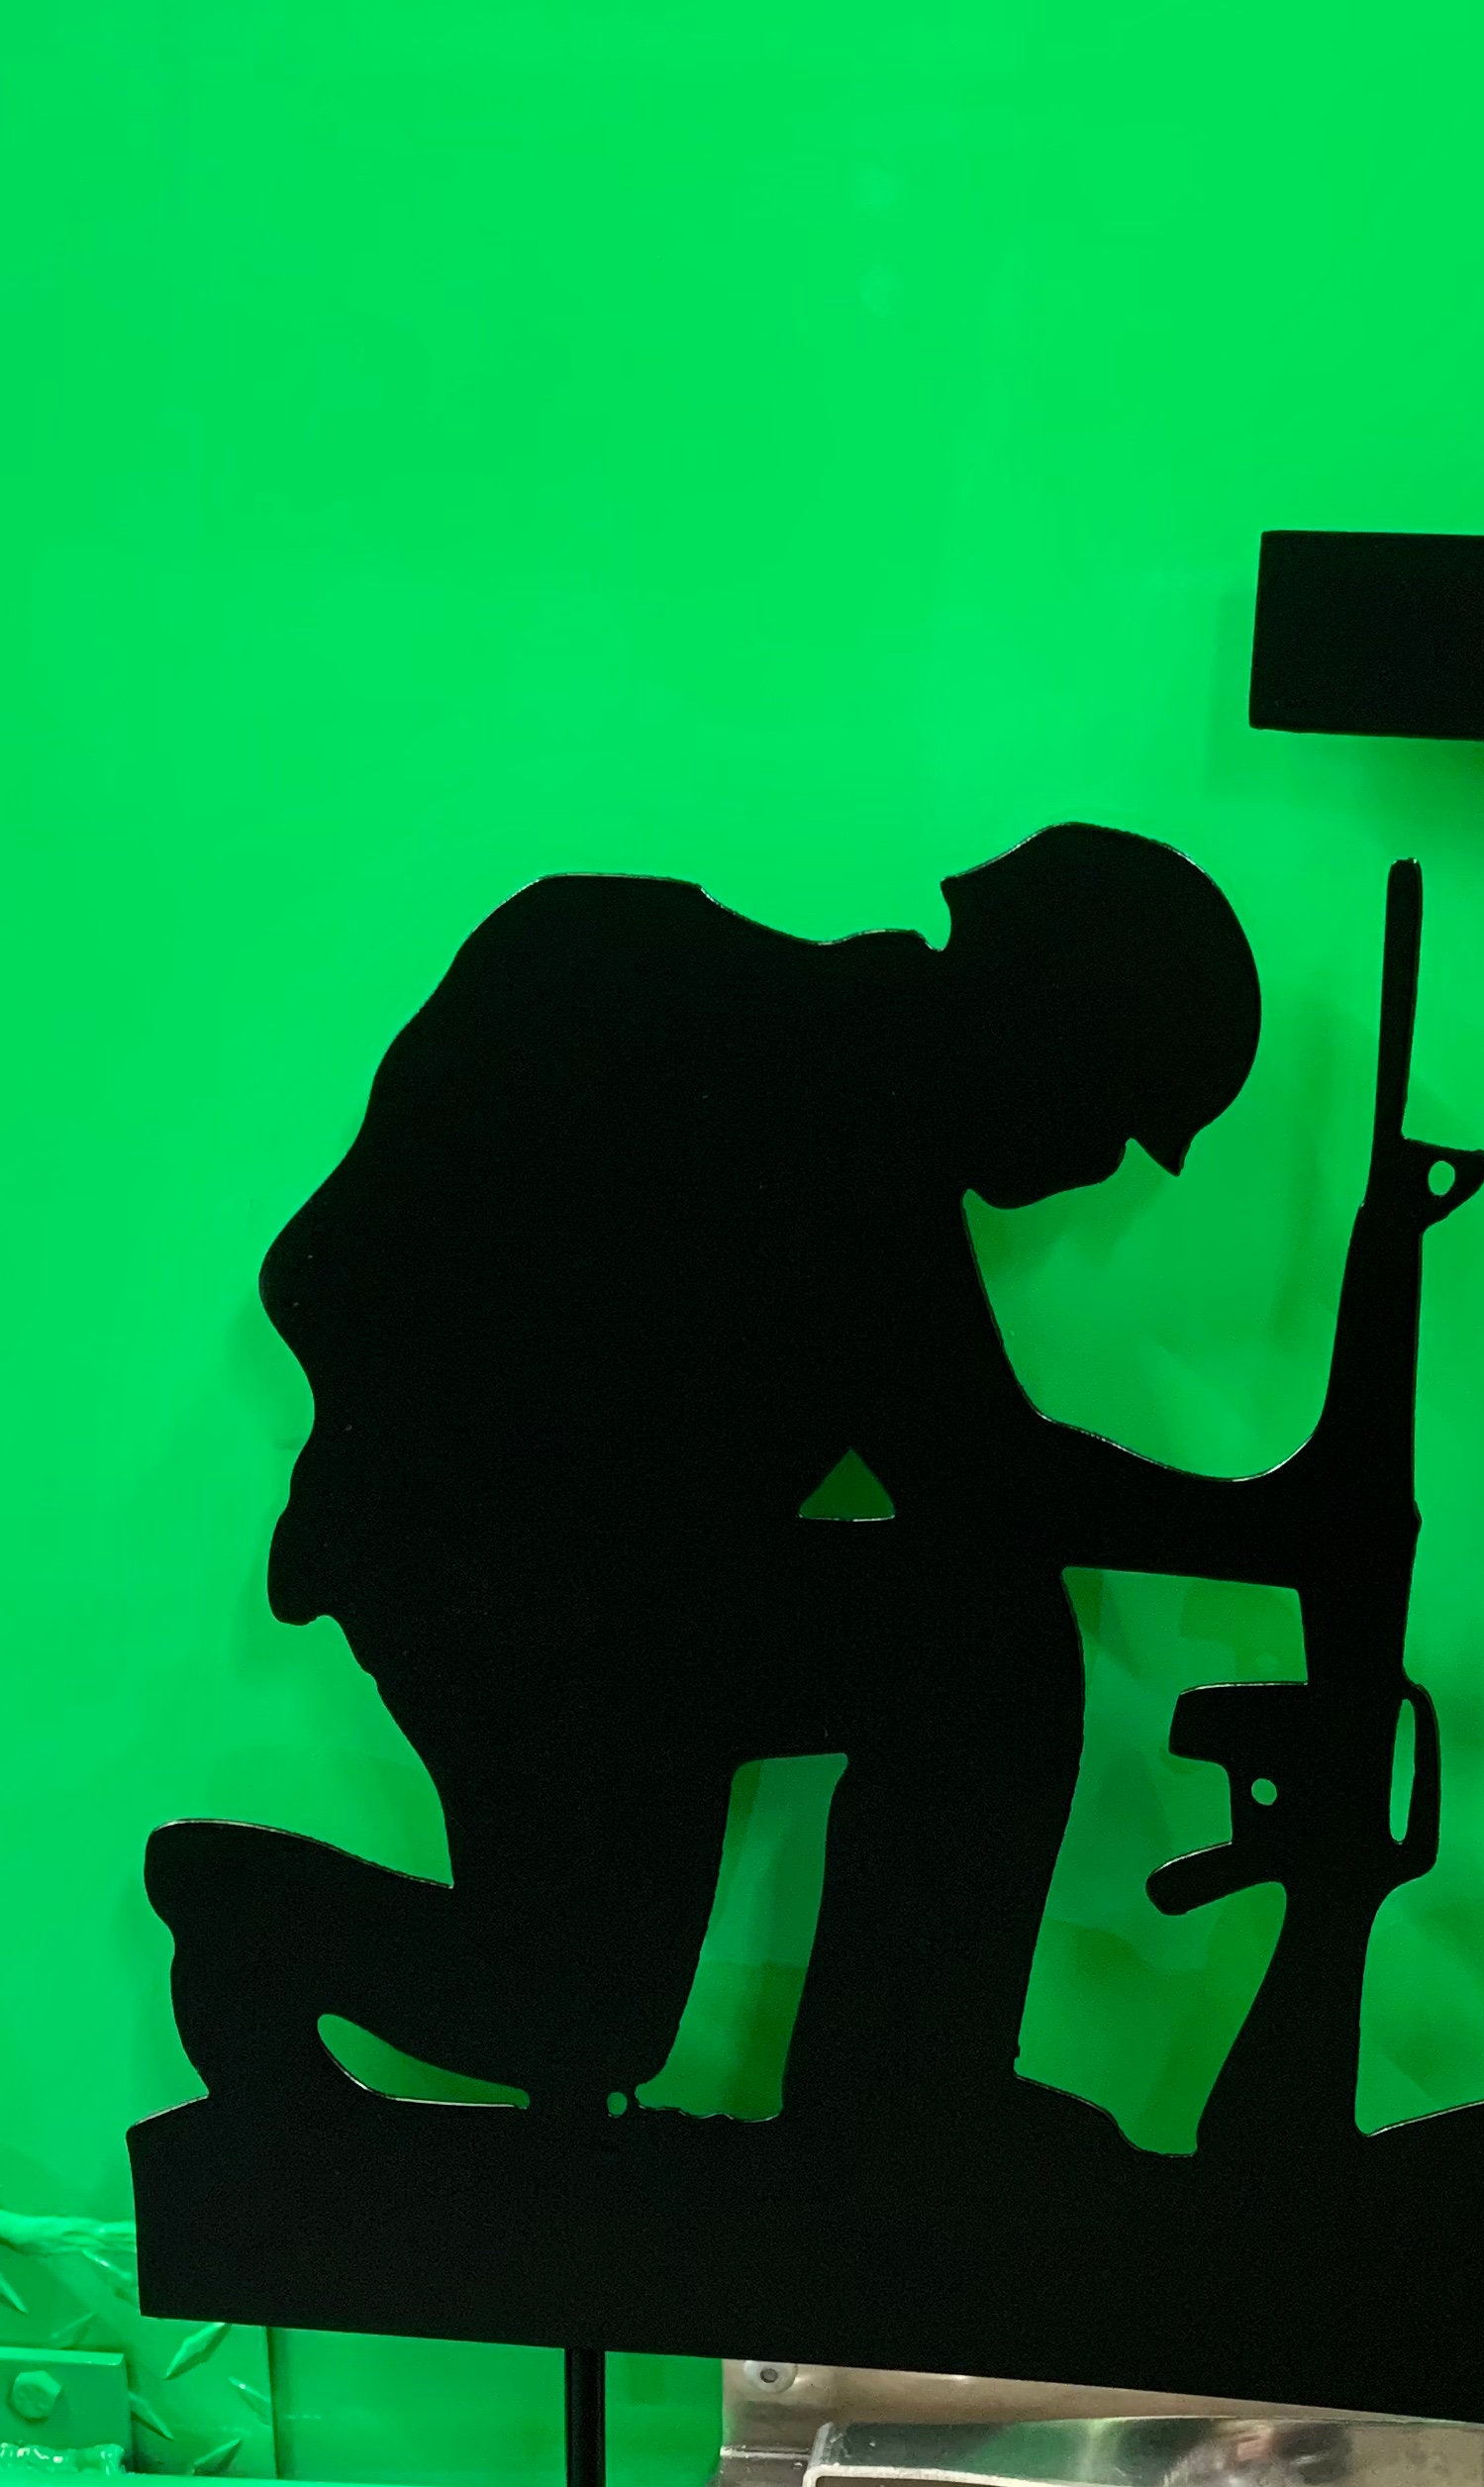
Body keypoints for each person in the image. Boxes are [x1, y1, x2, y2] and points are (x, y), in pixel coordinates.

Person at [148, 825, 1294, 2130]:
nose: (1095, 1169)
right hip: (510, 1589)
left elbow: (963, 1466)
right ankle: (891, 2117)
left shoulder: (824, 1083)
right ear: (1045, 1025)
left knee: (588, 2004)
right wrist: (1284, 1527)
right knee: (961, 1642)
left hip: (617, 1596)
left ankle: (894, 2110)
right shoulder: (813, 1088)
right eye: (1111, 1118)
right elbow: (979, 1474)